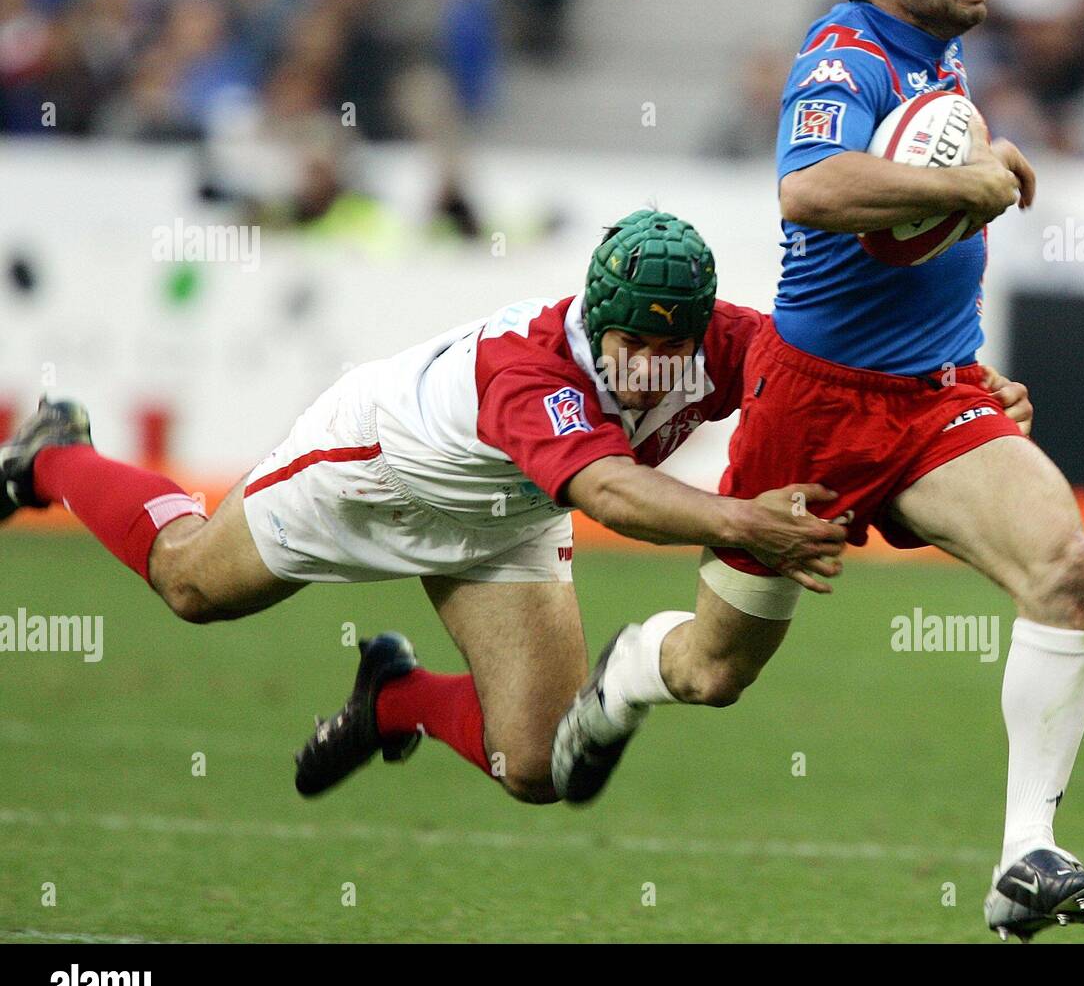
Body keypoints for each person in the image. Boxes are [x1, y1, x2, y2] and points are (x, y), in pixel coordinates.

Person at [546, 0, 1084, 943]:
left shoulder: (938, 63)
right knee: (714, 671)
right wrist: (968, 181)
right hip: (809, 410)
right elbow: (810, 189)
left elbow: (916, 217)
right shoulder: (842, 53)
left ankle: (1022, 858)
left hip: (934, 401)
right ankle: (626, 670)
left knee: (1067, 564)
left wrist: (968, 212)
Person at [0, 211, 846, 806]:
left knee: (536, 766)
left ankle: (392, 697)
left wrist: (962, 389)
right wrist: (741, 520)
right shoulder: (532, 369)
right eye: (634, 344)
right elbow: (608, 493)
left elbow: (838, 378)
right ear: (598, 318)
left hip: (504, 519)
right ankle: (51, 454)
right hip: (374, 469)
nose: (651, 367)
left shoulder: (728, 342)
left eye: (674, 348)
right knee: (189, 583)